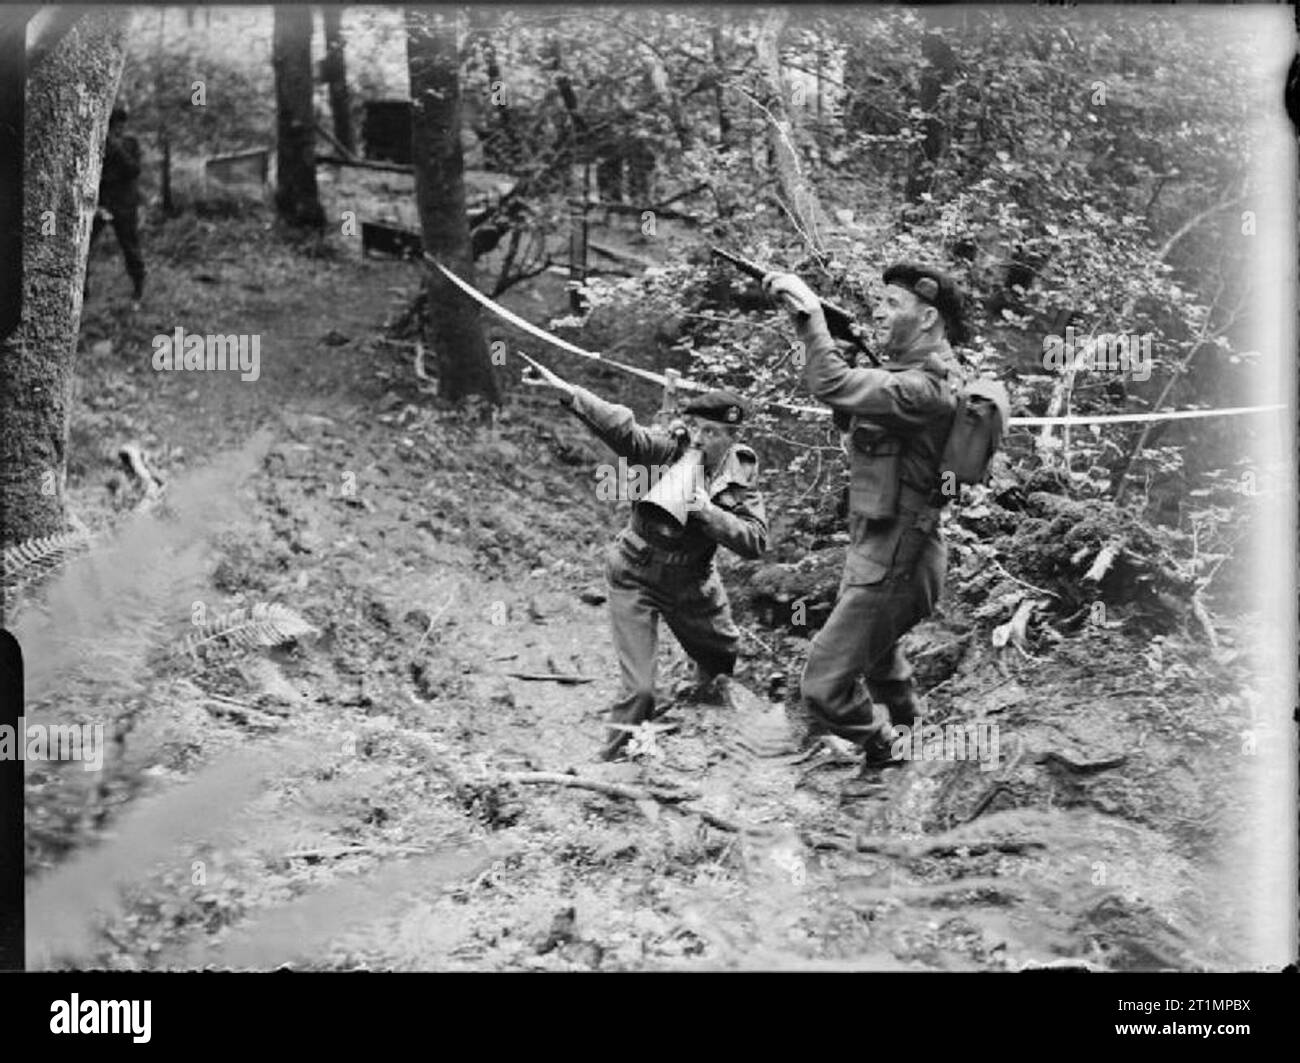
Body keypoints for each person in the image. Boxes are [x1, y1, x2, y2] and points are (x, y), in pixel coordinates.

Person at [763, 263, 965, 781]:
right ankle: (916, 744)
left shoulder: (924, 387)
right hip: (882, 550)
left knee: (823, 685)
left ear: (926, 318)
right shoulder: (904, 378)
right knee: (878, 660)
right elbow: (854, 413)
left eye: (894, 305)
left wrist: (810, 317)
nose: (881, 311)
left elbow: (830, 383)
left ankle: (884, 748)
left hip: (899, 557)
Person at [528, 362, 768, 759]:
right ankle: (612, 761)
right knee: (640, 689)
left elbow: (756, 541)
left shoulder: (739, 477)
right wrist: (571, 393)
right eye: (698, 429)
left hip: (693, 583)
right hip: (635, 573)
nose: (701, 438)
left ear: (731, 438)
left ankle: (698, 720)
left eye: (712, 433)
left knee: (723, 657)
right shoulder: (667, 450)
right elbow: (623, 430)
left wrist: (710, 513)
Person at [88, 105, 145, 306]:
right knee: (85, 248)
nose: (118, 129)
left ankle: (138, 289)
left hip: (125, 205)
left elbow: (134, 170)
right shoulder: (97, 143)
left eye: (120, 125)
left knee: (130, 248)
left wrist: (117, 148)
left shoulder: (130, 143)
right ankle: (82, 292)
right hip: (101, 204)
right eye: (114, 125)